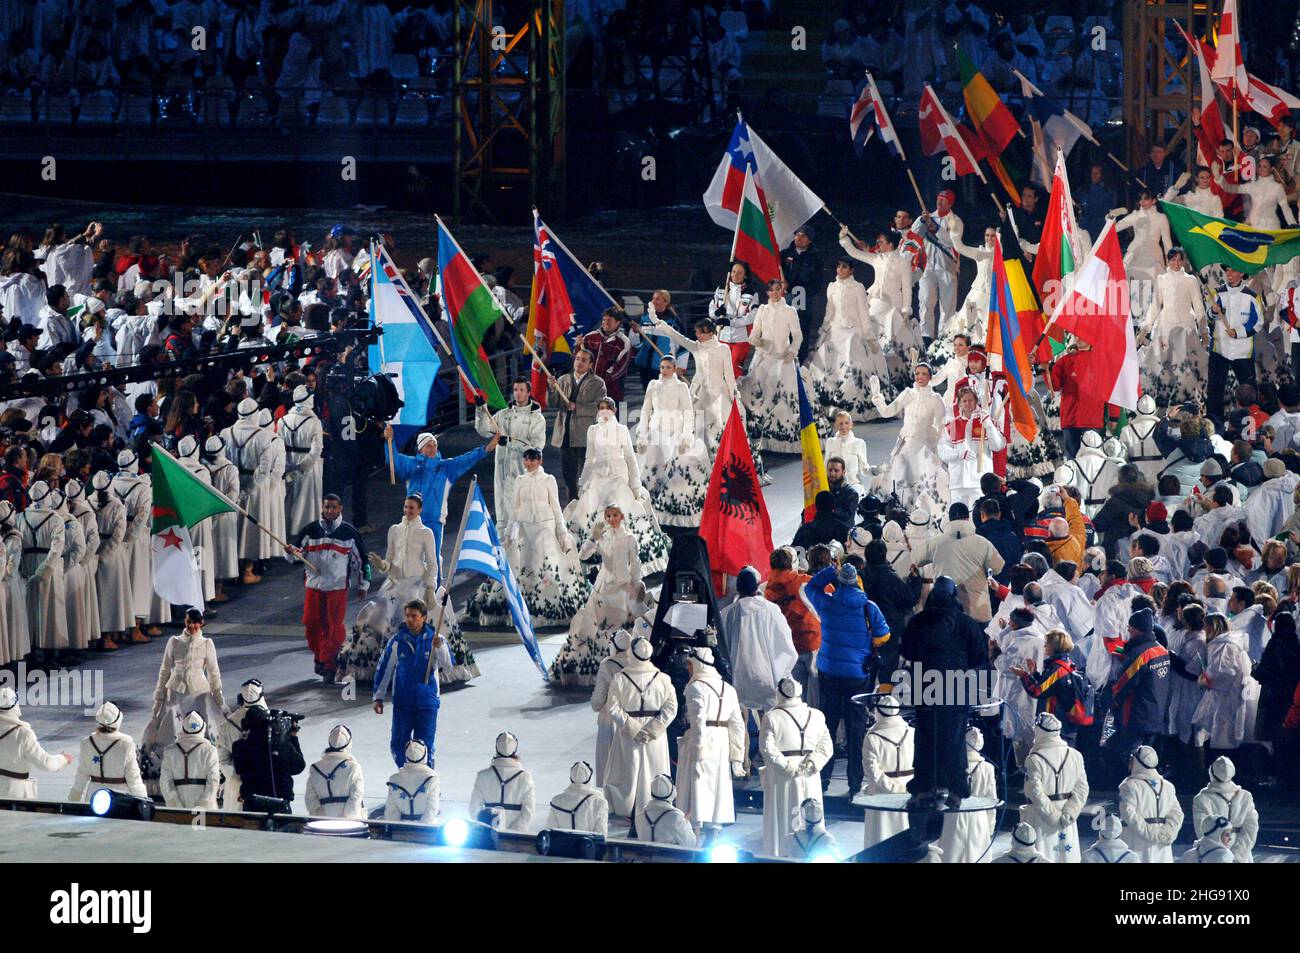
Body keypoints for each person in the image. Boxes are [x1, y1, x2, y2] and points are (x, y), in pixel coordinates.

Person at [899, 575, 989, 800]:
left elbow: (907, 652)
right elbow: (979, 656)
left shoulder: (918, 621)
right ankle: (956, 785)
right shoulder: (964, 622)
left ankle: (925, 783)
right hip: (955, 685)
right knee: (955, 736)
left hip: (924, 684)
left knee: (925, 734)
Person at [803, 562, 890, 793]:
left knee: (827, 727)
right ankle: (854, 784)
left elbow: (811, 588)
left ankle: (822, 781)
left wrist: (830, 571)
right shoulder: (869, 608)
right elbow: (884, 635)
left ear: (839, 583)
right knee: (856, 730)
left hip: (829, 672)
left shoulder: (827, 604)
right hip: (857, 676)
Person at [564, 397, 669, 574]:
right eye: (601, 408)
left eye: (608, 408)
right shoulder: (592, 430)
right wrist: (583, 482)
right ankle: (591, 552)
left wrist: (635, 485)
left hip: (618, 475)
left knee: (623, 505)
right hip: (598, 475)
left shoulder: (621, 430)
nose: (604, 412)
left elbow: (629, 456)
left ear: (614, 411)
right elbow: (590, 458)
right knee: (589, 505)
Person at [551, 503, 652, 686]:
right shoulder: (603, 537)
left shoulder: (630, 539)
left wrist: (637, 586)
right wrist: (593, 538)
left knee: (622, 624)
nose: (612, 519)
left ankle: (622, 662)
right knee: (596, 622)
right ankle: (598, 664)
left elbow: (635, 566)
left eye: (615, 515)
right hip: (603, 585)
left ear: (622, 516)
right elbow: (583, 555)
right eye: (608, 516)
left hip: (623, 587)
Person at [385, 424, 500, 582]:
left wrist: (487, 448)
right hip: (412, 521)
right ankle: (413, 596)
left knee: (433, 560)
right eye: (428, 446)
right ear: (420, 449)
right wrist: (389, 441)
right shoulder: (412, 465)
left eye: (434, 445)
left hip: (434, 521)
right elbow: (394, 460)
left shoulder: (446, 467)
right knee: (411, 558)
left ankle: (435, 592)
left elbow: (466, 459)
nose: (432, 448)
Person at [286, 494, 370, 683]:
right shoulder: (310, 531)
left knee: (333, 627)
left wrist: (364, 584)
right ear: (322, 508)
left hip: (337, 588)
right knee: (311, 624)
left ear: (340, 508)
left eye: (333, 507)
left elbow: (362, 561)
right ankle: (320, 657)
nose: (330, 511)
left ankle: (329, 665)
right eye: (326, 507)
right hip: (314, 586)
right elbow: (296, 557)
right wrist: (291, 553)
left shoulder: (349, 533)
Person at [603, 636, 677, 825]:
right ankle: (654, 813)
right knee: (654, 772)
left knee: (628, 774)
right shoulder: (663, 679)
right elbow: (671, 709)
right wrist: (654, 728)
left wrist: (632, 728)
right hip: (655, 737)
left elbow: (613, 708)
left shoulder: (620, 678)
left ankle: (631, 814)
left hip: (629, 735)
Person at [759, 676, 833, 858]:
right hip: (809, 773)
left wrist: (786, 766)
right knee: (810, 815)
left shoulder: (771, 717)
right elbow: (826, 746)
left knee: (783, 816)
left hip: (782, 775)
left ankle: (781, 854)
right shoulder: (816, 715)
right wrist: (811, 763)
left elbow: (767, 749)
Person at [373, 599, 452, 769]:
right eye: (407, 616)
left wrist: (440, 648)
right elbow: (384, 668)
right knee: (397, 744)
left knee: (425, 747)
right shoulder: (397, 641)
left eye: (414, 616)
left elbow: (447, 665)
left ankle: (427, 781)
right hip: (403, 703)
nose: (410, 619)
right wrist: (378, 697)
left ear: (424, 617)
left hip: (427, 702)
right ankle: (405, 776)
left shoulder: (436, 639)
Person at [676, 647, 745, 836]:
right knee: (717, 784)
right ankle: (714, 827)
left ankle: (695, 828)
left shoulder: (695, 687)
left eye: (689, 664)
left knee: (697, 785)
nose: (688, 669)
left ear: (696, 665)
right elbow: (737, 724)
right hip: (722, 741)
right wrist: (736, 757)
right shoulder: (728, 689)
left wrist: (698, 749)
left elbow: (698, 721)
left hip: (702, 740)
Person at [635, 354, 710, 528]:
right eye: (662, 367)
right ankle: (650, 506)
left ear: (674, 368)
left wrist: (686, 436)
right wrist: (642, 433)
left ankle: (671, 507)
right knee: (652, 465)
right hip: (656, 430)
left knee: (676, 466)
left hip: (675, 430)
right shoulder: (653, 386)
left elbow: (688, 412)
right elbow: (646, 410)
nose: (664, 370)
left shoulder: (681, 387)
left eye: (668, 367)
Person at [809, 257, 887, 421]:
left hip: (854, 331)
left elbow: (863, 313)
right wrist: (824, 329)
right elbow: (829, 311)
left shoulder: (857, 288)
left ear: (851, 270)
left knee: (852, 364)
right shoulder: (832, 287)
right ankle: (828, 404)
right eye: (838, 266)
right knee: (824, 362)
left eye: (844, 267)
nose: (840, 270)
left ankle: (854, 405)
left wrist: (868, 335)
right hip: (835, 330)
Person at [647, 316, 737, 450]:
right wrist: (660, 323)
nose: (698, 335)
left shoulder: (723, 349)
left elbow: (729, 374)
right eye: (697, 332)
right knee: (691, 423)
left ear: (711, 333)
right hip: (699, 393)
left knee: (722, 424)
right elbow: (678, 337)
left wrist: (734, 394)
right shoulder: (696, 347)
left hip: (718, 393)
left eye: (701, 332)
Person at [222, 397, 285, 586]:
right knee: (250, 530)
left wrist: (237, 488)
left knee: (232, 529)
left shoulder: (225, 433)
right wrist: (250, 490)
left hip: (231, 485)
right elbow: (264, 469)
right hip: (256, 490)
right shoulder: (264, 436)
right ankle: (247, 571)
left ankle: (232, 570)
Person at [719, 566, 798, 713]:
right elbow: (784, 642)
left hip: (739, 678)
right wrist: (782, 671)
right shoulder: (771, 609)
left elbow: (722, 646)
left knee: (741, 721)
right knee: (770, 721)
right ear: (756, 586)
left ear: (738, 588)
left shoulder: (727, 613)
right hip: (768, 677)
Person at [1105, 607, 1171, 780]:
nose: (1128, 631)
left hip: (1137, 714)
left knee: (1129, 753)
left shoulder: (1140, 655)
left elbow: (1122, 684)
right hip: (1156, 713)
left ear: (1136, 629)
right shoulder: (1161, 650)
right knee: (1148, 755)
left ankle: (1137, 785)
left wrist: (1112, 703)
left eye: (1129, 628)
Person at [869, 363, 948, 508]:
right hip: (904, 446)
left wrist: (939, 451)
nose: (920, 377)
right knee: (900, 483)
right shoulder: (908, 394)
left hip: (924, 448)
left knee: (921, 486)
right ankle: (900, 513)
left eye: (924, 374)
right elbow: (887, 412)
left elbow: (942, 427)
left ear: (930, 377)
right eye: (917, 373)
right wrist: (877, 396)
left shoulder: (935, 399)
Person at [739, 278, 804, 452]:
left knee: (784, 396)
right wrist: (754, 339)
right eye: (771, 290)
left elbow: (797, 335)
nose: (775, 293)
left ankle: (783, 438)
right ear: (767, 292)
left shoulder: (790, 311)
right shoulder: (762, 310)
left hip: (784, 360)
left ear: (781, 291)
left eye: (777, 289)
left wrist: (793, 352)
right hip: (763, 358)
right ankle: (759, 437)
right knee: (759, 394)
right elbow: (755, 332)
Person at [149, 608, 225, 753]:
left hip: (199, 693)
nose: (191, 626)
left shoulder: (207, 643)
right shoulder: (174, 642)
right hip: (176, 692)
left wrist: (219, 698)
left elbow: (213, 673)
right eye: (189, 622)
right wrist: (159, 697)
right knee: (170, 728)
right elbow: (164, 670)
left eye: (195, 623)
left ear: (201, 623)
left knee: (204, 727)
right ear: (185, 621)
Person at [913, 503, 1006, 622]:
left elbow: (915, 559)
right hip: (977, 611)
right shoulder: (983, 543)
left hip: (947, 614)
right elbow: (998, 567)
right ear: (968, 519)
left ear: (949, 520)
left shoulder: (935, 543)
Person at [474, 378, 546, 526]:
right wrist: (481, 410)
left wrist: (510, 442)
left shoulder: (537, 418)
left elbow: (536, 447)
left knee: (523, 518)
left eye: (521, 390)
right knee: (503, 517)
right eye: (515, 390)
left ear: (528, 392)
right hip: (502, 471)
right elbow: (484, 430)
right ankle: (504, 546)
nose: (518, 393)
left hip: (524, 470)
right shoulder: (503, 415)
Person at [1022, 712, 1089, 863]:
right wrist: (1069, 813)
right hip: (1066, 818)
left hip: (1041, 817)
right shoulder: (1076, 755)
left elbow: (1035, 793)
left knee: (1043, 856)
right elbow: (1082, 789)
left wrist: (1052, 816)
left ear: (1039, 731)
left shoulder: (1034, 759)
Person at [18, 480, 67, 662]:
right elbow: (57, 548)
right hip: (48, 567)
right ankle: (48, 656)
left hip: (27, 565)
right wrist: (44, 571)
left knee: (29, 611)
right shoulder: (55, 519)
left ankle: (29, 654)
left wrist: (23, 569)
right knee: (50, 611)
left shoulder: (20, 517)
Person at [765, 548, 821, 704]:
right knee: (814, 689)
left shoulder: (767, 590)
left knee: (796, 689)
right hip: (811, 640)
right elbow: (829, 592)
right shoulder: (804, 581)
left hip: (789, 645)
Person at [1206, 268, 1260, 426]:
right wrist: (1213, 312)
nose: (1228, 274)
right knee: (1215, 389)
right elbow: (1210, 317)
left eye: (1233, 271)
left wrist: (1238, 332)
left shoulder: (1251, 296)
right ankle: (1214, 425)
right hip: (1220, 349)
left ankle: (1253, 423)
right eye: (1227, 271)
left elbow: (1257, 323)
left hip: (1243, 352)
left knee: (1249, 390)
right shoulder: (1216, 293)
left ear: (1242, 273)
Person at [860, 694, 915, 849]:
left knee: (881, 837)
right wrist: (904, 787)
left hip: (881, 793)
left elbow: (872, 771)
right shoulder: (912, 732)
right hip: (909, 791)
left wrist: (892, 788)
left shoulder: (872, 737)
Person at [936, 727, 997, 863]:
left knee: (951, 855)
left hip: (954, 815)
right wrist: (990, 823)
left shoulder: (951, 766)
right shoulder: (988, 768)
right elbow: (991, 799)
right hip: (978, 817)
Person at [0, 686, 73, 799]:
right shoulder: (23, 733)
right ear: (15, 705)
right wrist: (63, 759)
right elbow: (46, 763)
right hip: (15, 793)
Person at [940, 386, 1007, 508]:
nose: (967, 403)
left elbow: (998, 446)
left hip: (980, 482)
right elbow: (942, 452)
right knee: (959, 519)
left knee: (980, 517)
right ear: (959, 403)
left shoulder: (987, 421)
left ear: (976, 401)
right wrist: (960, 454)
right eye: (964, 401)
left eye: (971, 400)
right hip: (958, 482)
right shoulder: (952, 425)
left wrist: (989, 425)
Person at [67, 702, 148, 801]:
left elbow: (81, 776)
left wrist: (73, 800)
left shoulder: (86, 743)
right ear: (118, 721)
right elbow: (134, 779)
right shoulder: (126, 745)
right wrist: (144, 801)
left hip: (93, 797)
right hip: (120, 798)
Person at [1118, 745, 1184, 863]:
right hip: (1162, 843)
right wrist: (1168, 832)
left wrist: (1151, 833)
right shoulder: (1168, 786)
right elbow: (1177, 814)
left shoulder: (1129, 786)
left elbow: (1129, 815)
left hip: (1137, 841)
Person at [1192, 755, 1258, 863]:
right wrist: (1239, 854)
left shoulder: (1202, 798)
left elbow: (1202, 830)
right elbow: (1251, 829)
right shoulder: (1245, 796)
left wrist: (1219, 853)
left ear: (1211, 773)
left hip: (1213, 854)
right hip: (1241, 851)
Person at [469, 731, 536, 833]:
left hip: (487, 833)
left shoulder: (483, 776)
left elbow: (474, 809)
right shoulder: (525, 777)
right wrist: (514, 831)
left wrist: (487, 827)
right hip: (516, 838)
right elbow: (528, 812)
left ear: (497, 749)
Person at [280, 384, 324, 537]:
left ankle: (288, 532)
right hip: (309, 467)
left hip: (289, 463)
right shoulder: (314, 422)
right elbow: (317, 449)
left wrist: (288, 465)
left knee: (290, 500)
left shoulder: (283, 420)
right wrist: (302, 467)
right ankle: (307, 534)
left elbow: (279, 448)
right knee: (308, 503)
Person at [216, 678, 267, 808]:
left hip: (236, 789)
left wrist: (236, 780)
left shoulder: (226, 726)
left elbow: (222, 760)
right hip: (266, 783)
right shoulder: (270, 721)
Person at [158, 710, 220, 811]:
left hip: (178, 806)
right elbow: (213, 781)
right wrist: (203, 804)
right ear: (202, 728)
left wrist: (176, 804)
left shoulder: (170, 751)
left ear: (183, 728)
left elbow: (165, 782)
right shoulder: (210, 751)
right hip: (205, 809)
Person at [203, 436, 240, 601]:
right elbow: (234, 493)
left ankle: (209, 588)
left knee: (210, 552)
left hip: (206, 514)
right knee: (223, 552)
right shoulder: (230, 469)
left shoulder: (202, 468)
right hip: (224, 516)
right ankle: (217, 589)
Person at [304, 724, 366, 820]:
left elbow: (310, 799)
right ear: (349, 743)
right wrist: (346, 817)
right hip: (350, 824)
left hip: (322, 822)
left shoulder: (315, 768)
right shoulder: (354, 768)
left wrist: (318, 816)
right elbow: (357, 796)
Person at [711, 259, 758, 377]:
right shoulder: (722, 289)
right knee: (720, 368)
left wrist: (731, 322)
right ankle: (722, 394)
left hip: (741, 338)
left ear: (745, 275)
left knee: (733, 367)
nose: (735, 275)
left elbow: (752, 316)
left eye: (739, 273)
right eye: (733, 272)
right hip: (722, 336)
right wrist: (716, 313)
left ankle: (734, 394)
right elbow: (712, 307)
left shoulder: (751, 293)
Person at [581, 309, 633, 407]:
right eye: (604, 320)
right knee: (590, 413)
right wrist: (578, 346)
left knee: (611, 414)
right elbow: (579, 357)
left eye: (609, 320)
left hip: (612, 387)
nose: (605, 323)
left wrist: (604, 380)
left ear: (618, 322)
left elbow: (621, 366)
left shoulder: (623, 342)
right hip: (588, 384)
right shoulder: (589, 337)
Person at [384, 739, 440, 824]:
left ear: (406, 756)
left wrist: (396, 829)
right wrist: (423, 828)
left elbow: (391, 812)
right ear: (425, 755)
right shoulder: (432, 779)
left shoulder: (394, 779)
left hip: (401, 830)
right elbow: (432, 809)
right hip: (425, 831)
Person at [546, 760, 609, 835]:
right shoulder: (599, 803)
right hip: (586, 846)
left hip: (561, 846)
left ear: (571, 779)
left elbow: (551, 831)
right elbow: (601, 834)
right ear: (590, 778)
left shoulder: (556, 801)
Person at [637, 773, 697, 847]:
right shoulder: (676, 817)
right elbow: (690, 843)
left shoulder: (639, 816)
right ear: (673, 791)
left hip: (644, 858)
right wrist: (686, 821)